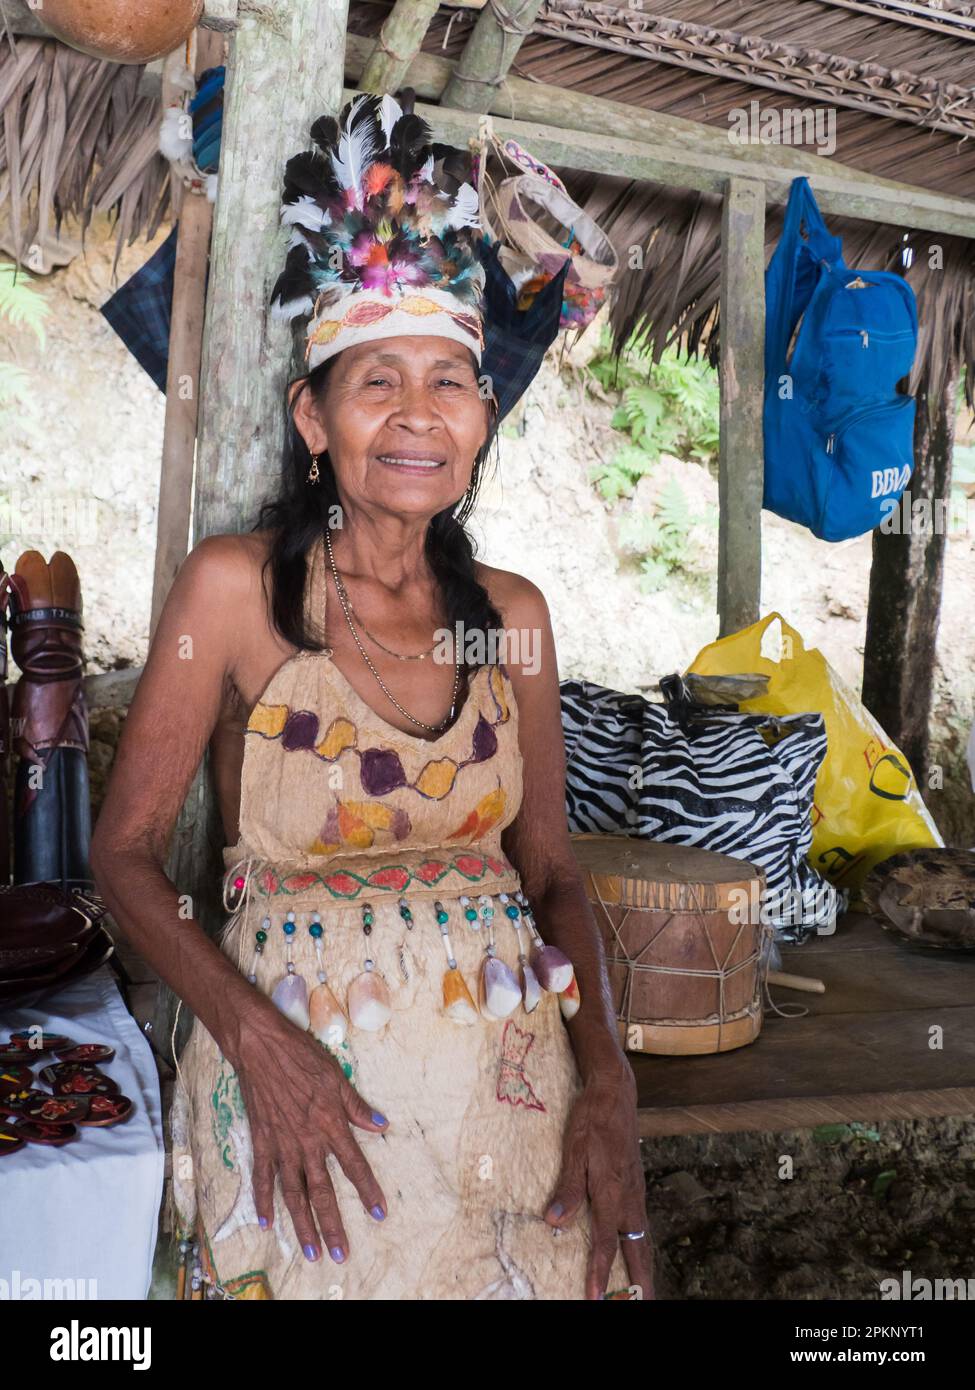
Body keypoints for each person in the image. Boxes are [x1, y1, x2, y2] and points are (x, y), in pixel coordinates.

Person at [91, 92, 652, 1301]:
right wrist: (253, 1041)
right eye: (375, 381)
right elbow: (124, 856)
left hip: (518, 1097)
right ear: (313, 416)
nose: (415, 412)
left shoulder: (516, 619)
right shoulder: (236, 593)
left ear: (482, 417)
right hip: (306, 1104)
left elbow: (549, 870)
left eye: (449, 380)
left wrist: (607, 1075)